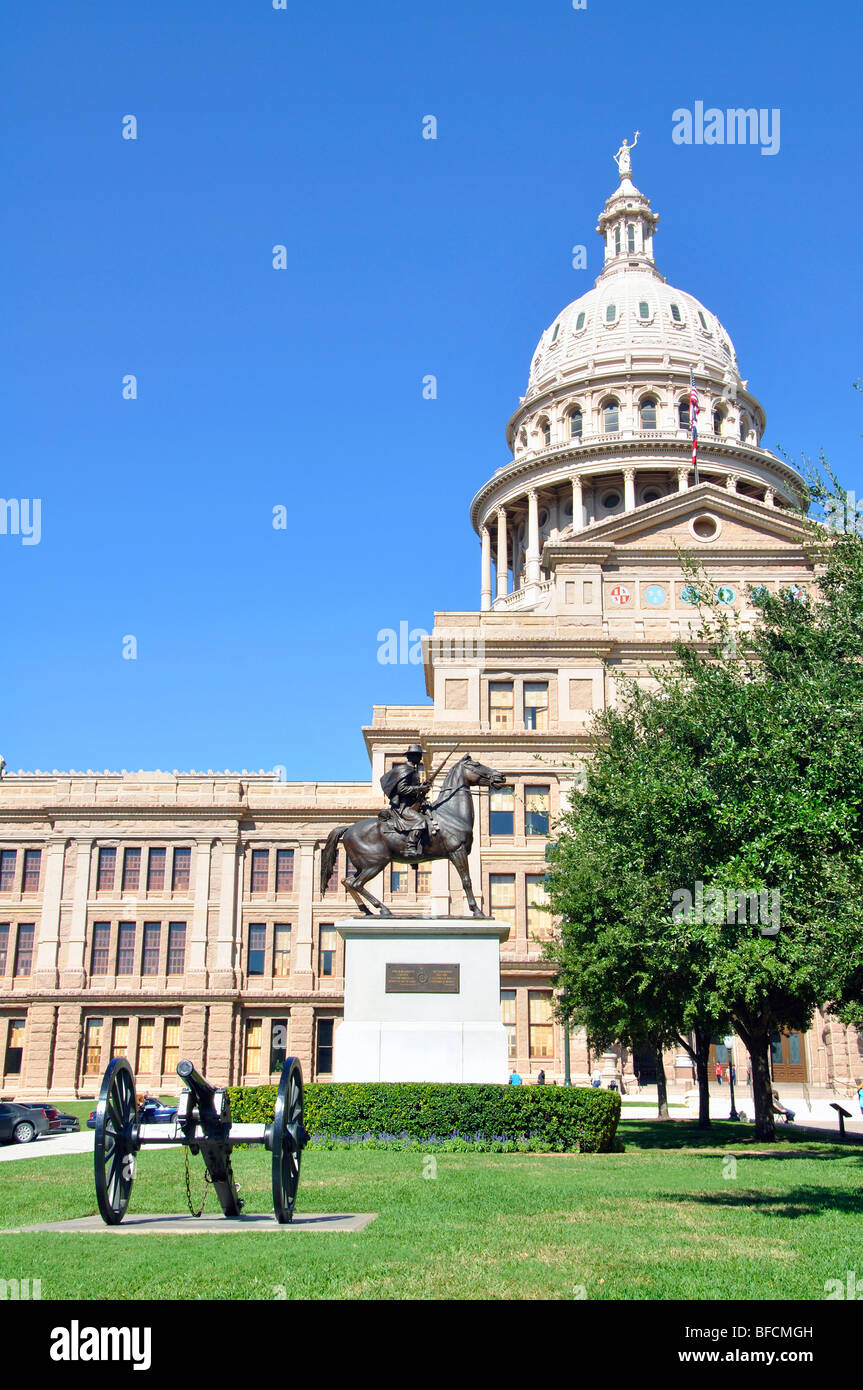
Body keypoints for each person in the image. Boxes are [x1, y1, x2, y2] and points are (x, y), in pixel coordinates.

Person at [379, 744, 432, 857]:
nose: (420, 758)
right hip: (403, 807)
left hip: (412, 804)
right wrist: (420, 788)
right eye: (419, 755)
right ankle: (410, 847)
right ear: (412, 756)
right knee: (421, 821)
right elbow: (402, 789)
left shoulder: (413, 770)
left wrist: (422, 787)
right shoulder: (405, 770)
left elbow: (412, 788)